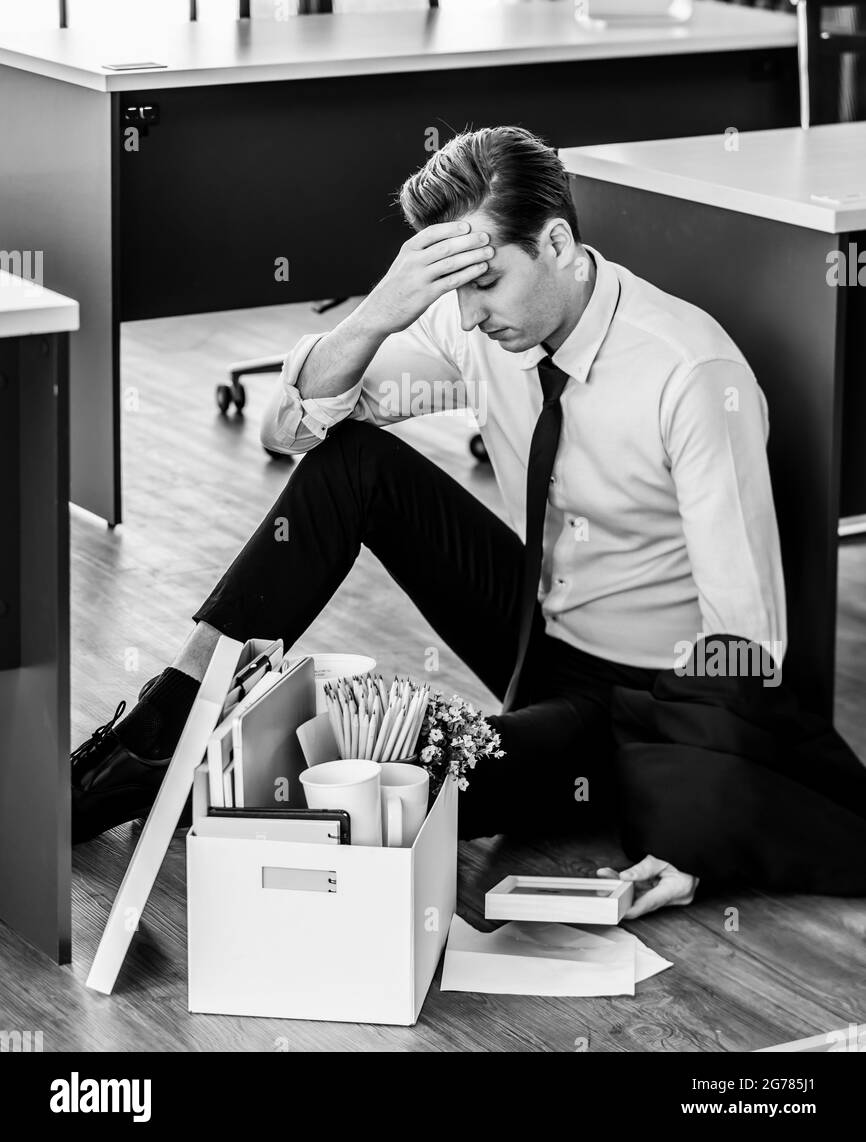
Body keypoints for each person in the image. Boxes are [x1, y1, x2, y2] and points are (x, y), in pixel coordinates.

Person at [72, 126, 866, 916]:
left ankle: (216, 784)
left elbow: (747, 639)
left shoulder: (690, 375)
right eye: (453, 285)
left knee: (404, 779)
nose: (469, 312)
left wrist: (698, 835)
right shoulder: (478, 323)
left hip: (642, 700)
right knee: (355, 463)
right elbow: (293, 433)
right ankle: (162, 725)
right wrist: (377, 315)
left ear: (556, 241)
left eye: (484, 280)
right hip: (533, 631)